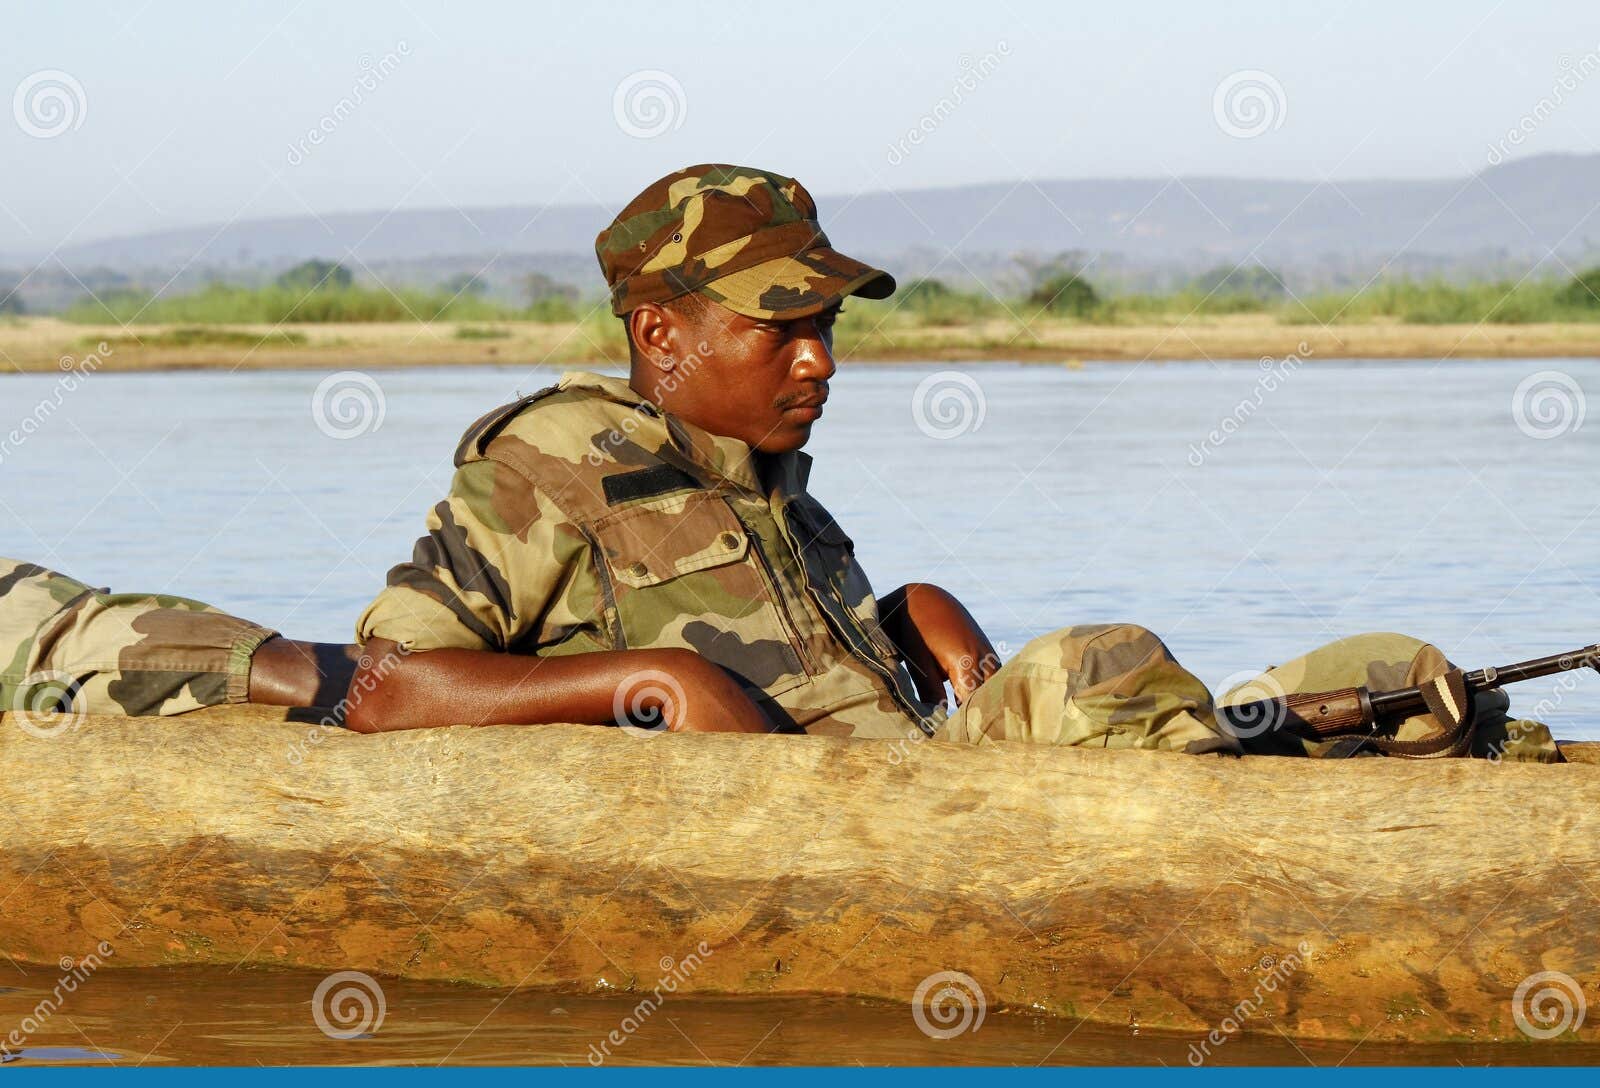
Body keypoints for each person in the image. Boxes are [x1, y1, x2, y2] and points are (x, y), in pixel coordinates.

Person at [0, 164, 1558, 761]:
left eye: (826, 321)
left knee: (1346, 685)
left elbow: (810, 677)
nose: (819, 355)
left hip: (910, 791)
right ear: (659, 330)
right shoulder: (562, 456)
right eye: (781, 322)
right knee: (1100, 679)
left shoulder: (772, 484)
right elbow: (389, 682)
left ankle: (1388, 724)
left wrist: (908, 614)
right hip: (822, 818)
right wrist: (637, 683)